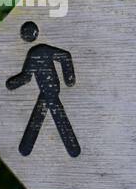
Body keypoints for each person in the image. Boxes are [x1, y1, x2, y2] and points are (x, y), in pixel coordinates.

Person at [6, 21, 80, 157]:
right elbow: (27, 77)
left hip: (50, 90)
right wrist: (12, 83)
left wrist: (69, 78)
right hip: (49, 90)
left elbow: (26, 77)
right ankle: (72, 149)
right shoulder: (37, 52)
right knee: (44, 116)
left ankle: (27, 148)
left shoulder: (37, 52)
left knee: (51, 117)